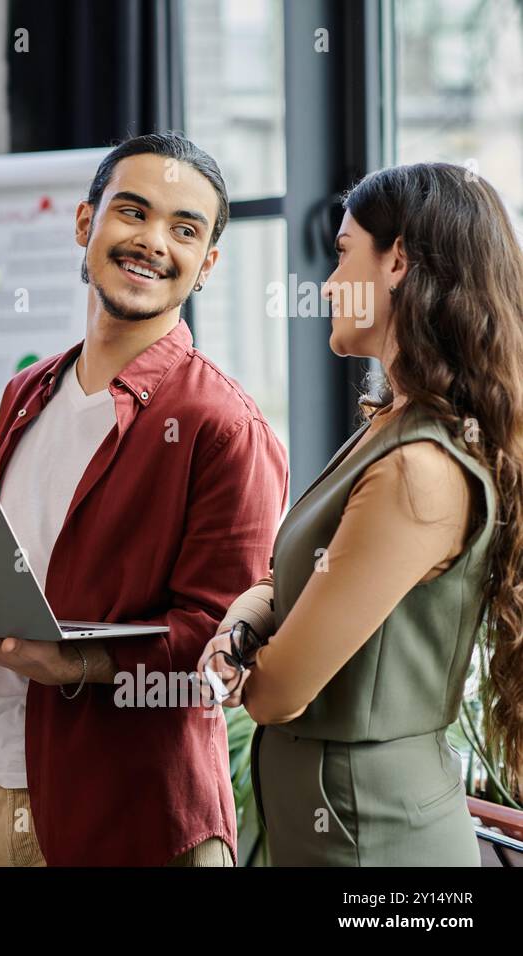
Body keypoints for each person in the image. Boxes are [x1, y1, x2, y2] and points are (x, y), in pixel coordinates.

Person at [0, 132, 289, 866]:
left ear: (206, 264)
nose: (151, 242)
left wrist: (72, 665)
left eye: (184, 230)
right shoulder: (28, 393)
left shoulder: (223, 426)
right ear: (86, 224)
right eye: (132, 212)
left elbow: (218, 639)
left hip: (134, 809)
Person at [202, 163, 523, 866]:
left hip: (372, 841)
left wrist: (244, 656)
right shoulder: (389, 428)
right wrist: (240, 627)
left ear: (398, 260)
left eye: (343, 253)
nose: (325, 284)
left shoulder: (417, 469)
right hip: (339, 826)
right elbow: (281, 582)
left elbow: (279, 692)